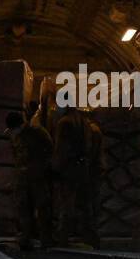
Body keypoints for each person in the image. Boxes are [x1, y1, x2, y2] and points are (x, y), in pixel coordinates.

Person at [51, 106, 103, 248]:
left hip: (69, 169)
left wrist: (56, 168)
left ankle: (63, 237)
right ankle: (92, 238)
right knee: (86, 205)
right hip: (83, 168)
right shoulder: (85, 123)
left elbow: (61, 149)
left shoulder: (64, 122)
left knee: (67, 204)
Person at [6, 103, 54, 249]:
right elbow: (17, 157)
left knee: (42, 207)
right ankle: (27, 239)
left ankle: (45, 240)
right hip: (23, 178)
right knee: (24, 208)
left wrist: (43, 167)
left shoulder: (36, 132)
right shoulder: (16, 136)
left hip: (37, 176)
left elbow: (50, 149)